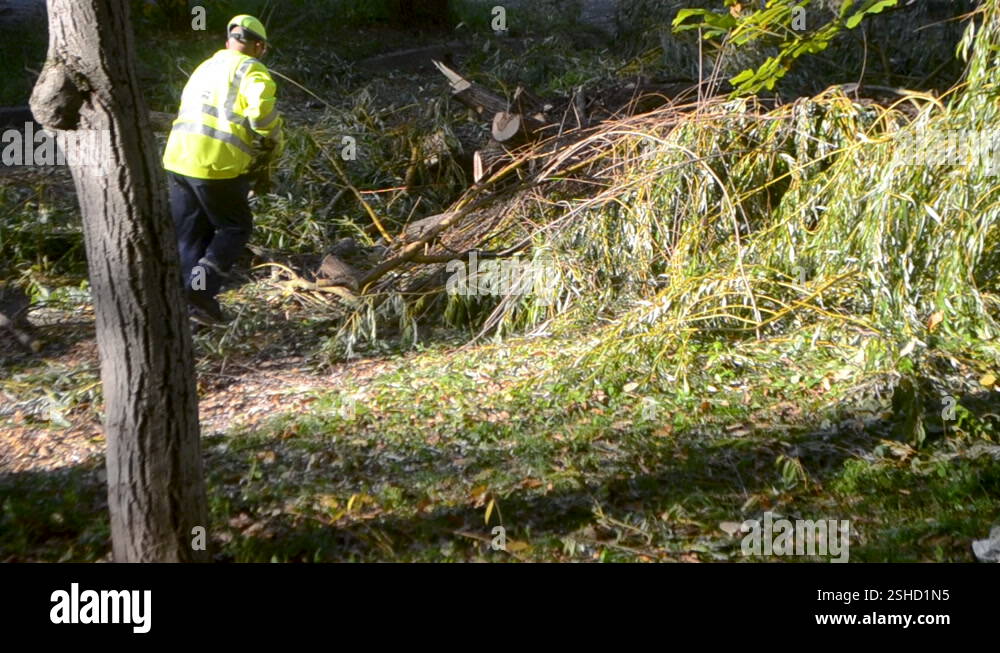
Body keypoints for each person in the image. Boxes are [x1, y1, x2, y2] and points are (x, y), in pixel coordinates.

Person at [162, 14, 283, 325]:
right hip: (215, 164)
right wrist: (274, 136)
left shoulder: (206, 65)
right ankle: (201, 294)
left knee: (190, 234)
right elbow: (261, 114)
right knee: (234, 227)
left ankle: (187, 304)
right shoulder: (252, 70)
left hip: (178, 160)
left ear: (229, 40)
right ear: (258, 46)